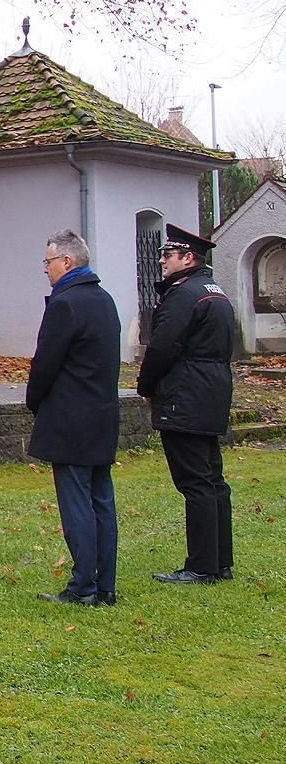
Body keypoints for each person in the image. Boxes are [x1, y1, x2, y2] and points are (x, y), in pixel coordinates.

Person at [26, 229, 122, 606]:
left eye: (47, 262)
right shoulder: (104, 300)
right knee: (101, 500)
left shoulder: (65, 304)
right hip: (100, 414)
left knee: (77, 502)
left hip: (69, 417)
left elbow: (45, 363)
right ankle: (105, 584)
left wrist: (35, 401)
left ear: (67, 262)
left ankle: (84, 585)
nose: (45, 269)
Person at [137, 223, 237, 585]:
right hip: (210, 392)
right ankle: (219, 561)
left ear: (188, 257)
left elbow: (163, 347)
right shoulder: (215, 292)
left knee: (195, 482)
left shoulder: (183, 296)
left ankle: (202, 566)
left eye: (168, 255)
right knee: (212, 480)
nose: (162, 260)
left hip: (185, 396)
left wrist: (146, 385)